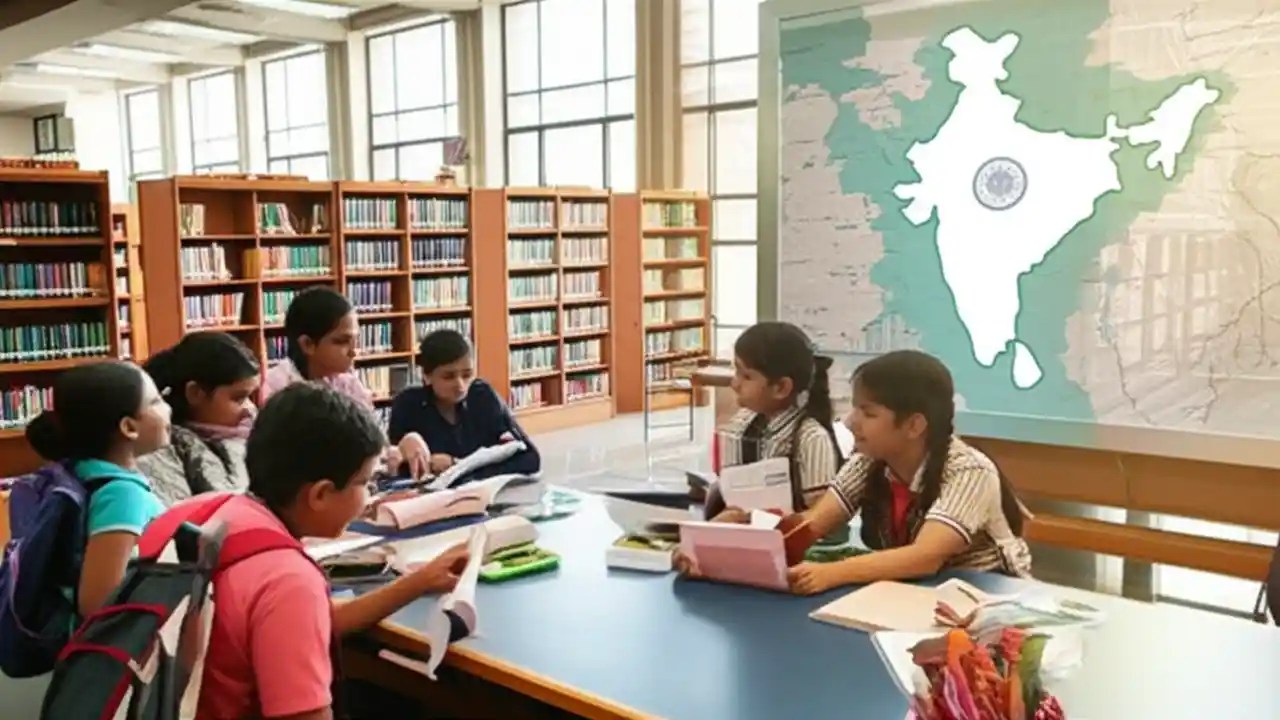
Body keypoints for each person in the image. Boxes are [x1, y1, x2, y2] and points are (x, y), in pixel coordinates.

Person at [193, 383, 469, 719]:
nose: (369, 496)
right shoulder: (289, 581)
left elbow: (308, 622)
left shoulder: (208, 512)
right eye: (366, 482)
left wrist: (420, 581)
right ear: (320, 494)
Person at [681, 350, 1032, 596]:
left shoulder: (969, 471)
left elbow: (925, 557)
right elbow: (811, 525)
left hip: (985, 601)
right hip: (911, 599)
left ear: (913, 425)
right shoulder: (869, 460)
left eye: (868, 412)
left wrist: (830, 574)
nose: (851, 422)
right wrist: (720, 541)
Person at [24, 361, 171, 617]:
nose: (168, 408)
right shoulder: (123, 494)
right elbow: (98, 603)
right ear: (129, 427)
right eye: (157, 401)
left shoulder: (80, 470)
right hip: (116, 648)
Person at [714, 321, 842, 512]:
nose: (735, 383)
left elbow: (820, 516)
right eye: (736, 372)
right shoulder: (740, 424)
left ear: (781, 388)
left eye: (747, 376)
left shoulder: (811, 438)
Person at [388, 329, 540, 482]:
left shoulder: (482, 396)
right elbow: (397, 470)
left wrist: (457, 465)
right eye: (448, 377)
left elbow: (530, 458)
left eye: (467, 375)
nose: (460, 385)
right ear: (426, 376)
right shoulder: (407, 404)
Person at [138, 331, 260, 505]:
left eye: (251, 397)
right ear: (195, 393)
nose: (250, 410)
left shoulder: (249, 438)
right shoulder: (159, 449)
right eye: (239, 398)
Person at [262, 286, 373, 408]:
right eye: (342, 341)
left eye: (355, 341)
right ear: (307, 344)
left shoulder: (349, 383)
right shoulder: (275, 388)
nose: (353, 352)